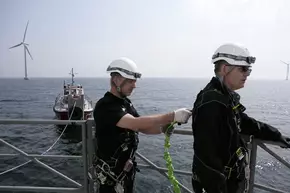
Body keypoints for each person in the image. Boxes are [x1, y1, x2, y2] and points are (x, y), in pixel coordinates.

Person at [190, 43, 290, 193]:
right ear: (225, 69)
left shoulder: (223, 96)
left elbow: (244, 122)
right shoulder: (211, 103)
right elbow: (206, 156)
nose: (247, 74)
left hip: (230, 181)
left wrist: (276, 135)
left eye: (248, 70)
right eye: (243, 69)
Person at [92, 57, 192, 193]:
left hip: (125, 175)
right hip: (110, 179)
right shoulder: (106, 105)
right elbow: (134, 122)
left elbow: (140, 126)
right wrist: (172, 116)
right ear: (116, 80)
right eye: (130, 81)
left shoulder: (125, 103)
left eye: (135, 81)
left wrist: (163, 128)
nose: (134, 85)